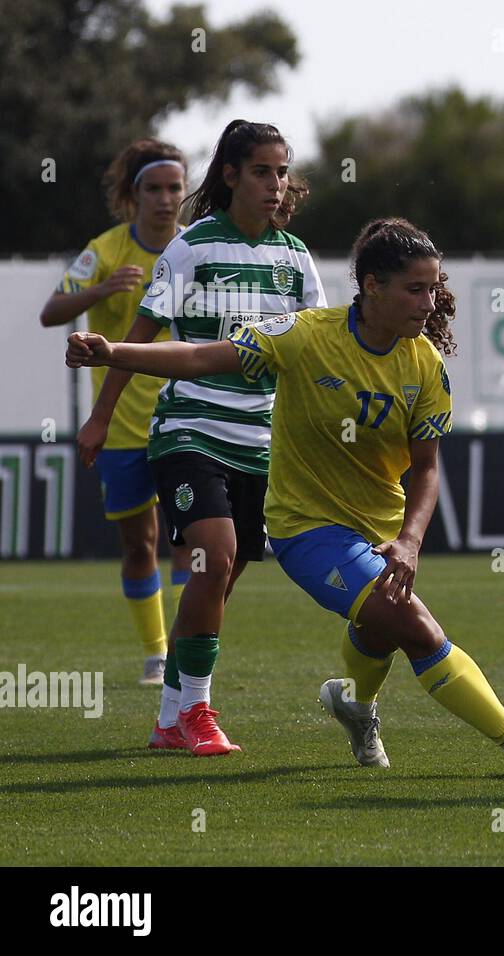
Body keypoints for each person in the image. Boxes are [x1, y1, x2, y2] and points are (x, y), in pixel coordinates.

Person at [67, 217, 504, 780]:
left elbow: (426, 468)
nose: (430, 301)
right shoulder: (305, 334)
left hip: (381, 534)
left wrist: (411, 539)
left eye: (434, 287)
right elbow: (204, 358)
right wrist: (113, 353)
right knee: (414, 626)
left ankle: (352, 702)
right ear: (371, 286)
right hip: (308, 529)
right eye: (414, 288)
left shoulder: (425, 365)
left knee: (380, 630)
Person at [86, 119, 326, 756]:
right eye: (261, 172)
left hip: (261, 441)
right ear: (230, 175)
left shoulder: (296, 258)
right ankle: (197, 712)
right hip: (189, 429)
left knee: (220, 577)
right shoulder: (191, 249)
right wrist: (102, 415)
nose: (275, 185)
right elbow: (142, 333)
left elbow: (312, 351)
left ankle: (169, 716)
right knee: (212, 559)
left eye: (281, 172)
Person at [40, 138, 191, 685]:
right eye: (154, 188)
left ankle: (182, 649)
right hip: (122, 425)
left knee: (188, 541)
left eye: (175, 187)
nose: (166, 198)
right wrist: (101, 289)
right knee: (139, 542)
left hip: (183, 421)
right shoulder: (104, 249)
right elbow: (51, 311)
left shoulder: (193, 250)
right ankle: (154, 652)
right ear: (134, 195)